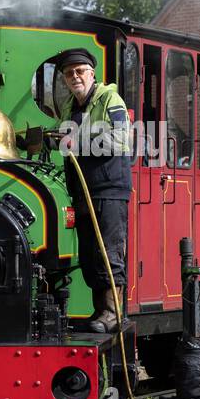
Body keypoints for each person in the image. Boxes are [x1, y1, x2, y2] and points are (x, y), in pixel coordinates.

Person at [54, 47, 131, 334]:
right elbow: (64, 140)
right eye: (69, 73)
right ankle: (100, 310)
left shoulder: (110, 99)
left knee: (108, 252)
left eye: (79, 71)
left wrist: (80, 139)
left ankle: (113, 312)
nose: (75, 77)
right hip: (82, 189)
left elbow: (122, 138)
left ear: (92, 73)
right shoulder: (68, 107)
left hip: (108, 187)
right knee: (88, 254)